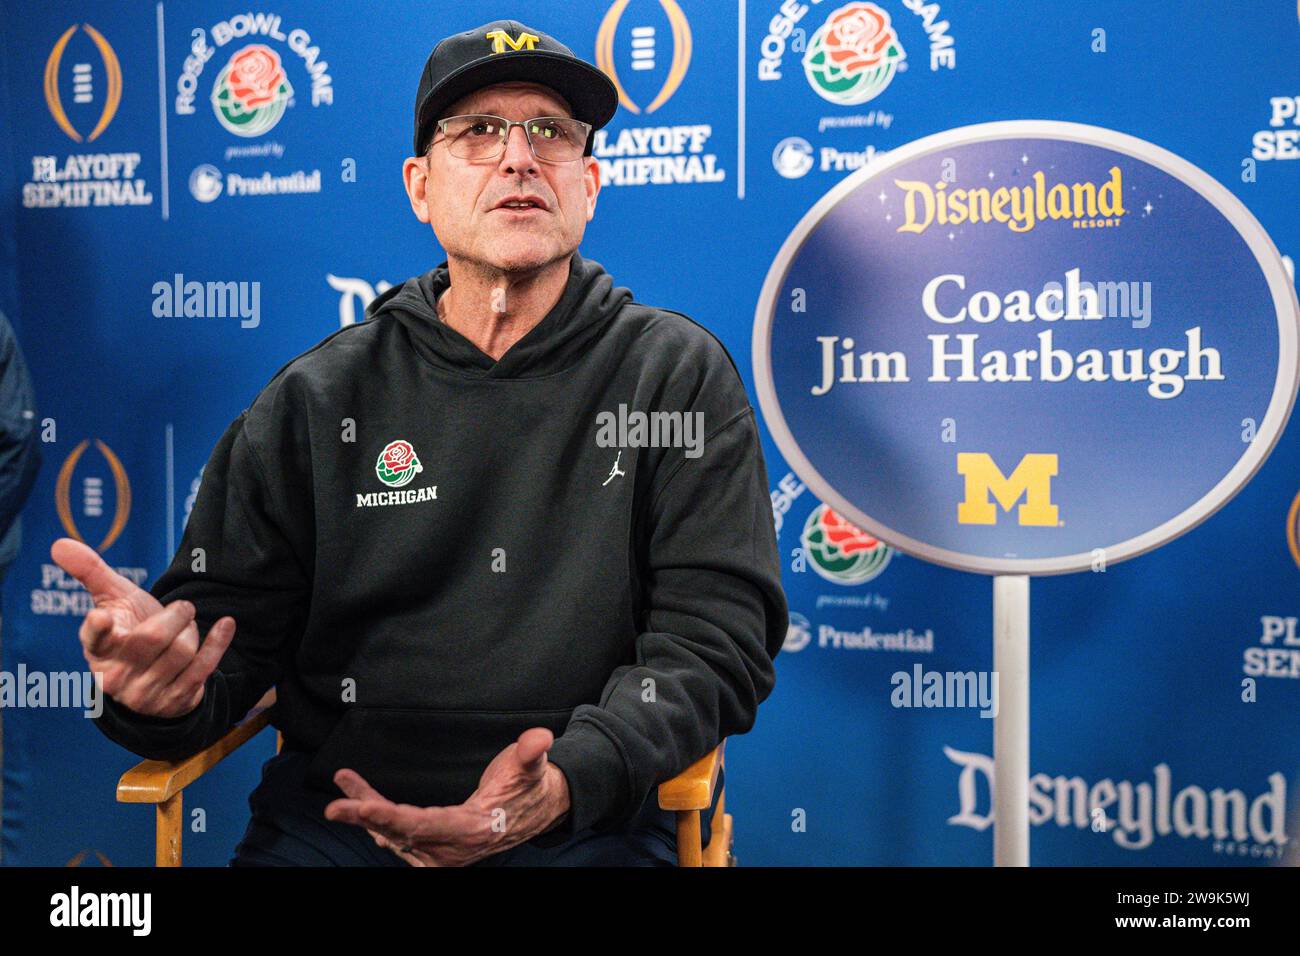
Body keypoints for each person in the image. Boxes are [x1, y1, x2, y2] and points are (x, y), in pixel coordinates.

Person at [51, 18, 788, 867]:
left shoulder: (675, 374)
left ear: (588, 185)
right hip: (338, 829)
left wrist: (562, 788)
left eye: (549, 133)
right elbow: (217, 648)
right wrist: (157, 697)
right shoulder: (316, 398)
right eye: (478, 133)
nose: (519, 158)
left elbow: (713, 642)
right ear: (419, 187)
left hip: (584, 821)